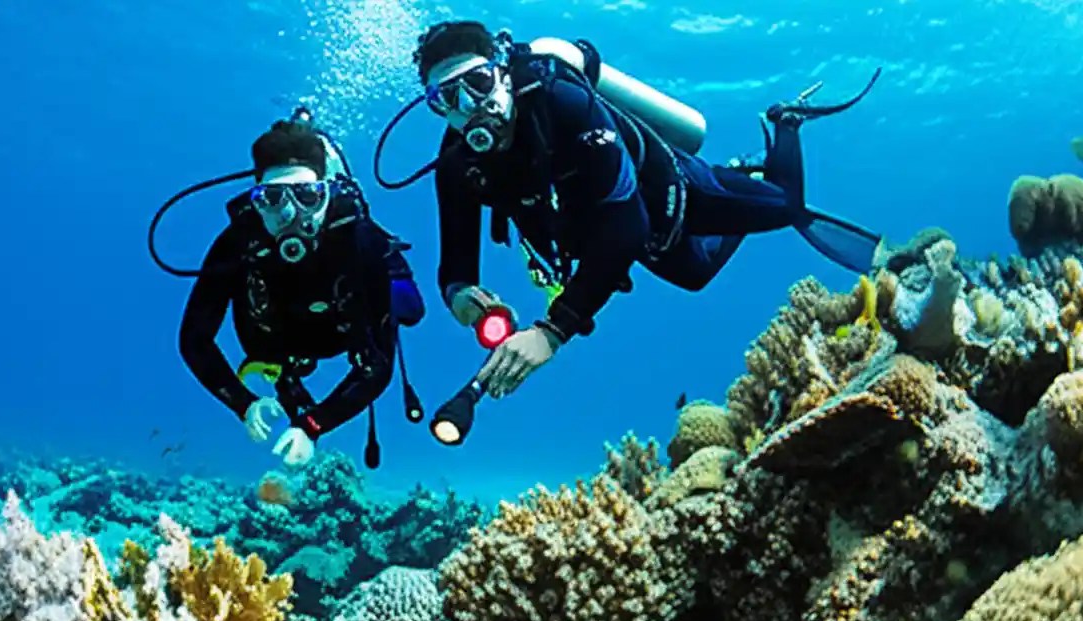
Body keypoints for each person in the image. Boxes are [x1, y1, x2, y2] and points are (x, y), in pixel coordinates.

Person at [377, 21, 883, 400]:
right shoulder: (457, 165)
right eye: (447, 98)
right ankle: (741, 171)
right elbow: (455, 265)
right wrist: (464, 298)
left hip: (674, 196)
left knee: (788, 208)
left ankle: (784, 123)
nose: (470, 105)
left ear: (504, 77)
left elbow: (627, 229)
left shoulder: (563, 102)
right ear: (437, 109)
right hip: (609, 237)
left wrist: (552, 332)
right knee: (696, 274)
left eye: (479, 83)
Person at [151, 109, 426, 469]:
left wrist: (313, 426)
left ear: (327, 195)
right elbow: (194, 340)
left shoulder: (359, 239)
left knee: (406, 309)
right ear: (256, 199)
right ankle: (286, 381)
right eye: (273, 198)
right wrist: (244, 403)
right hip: (279, 349)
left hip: (343, 334)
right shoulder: (238, 242)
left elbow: (378, 364)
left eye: (307, 196)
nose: (290, 214)